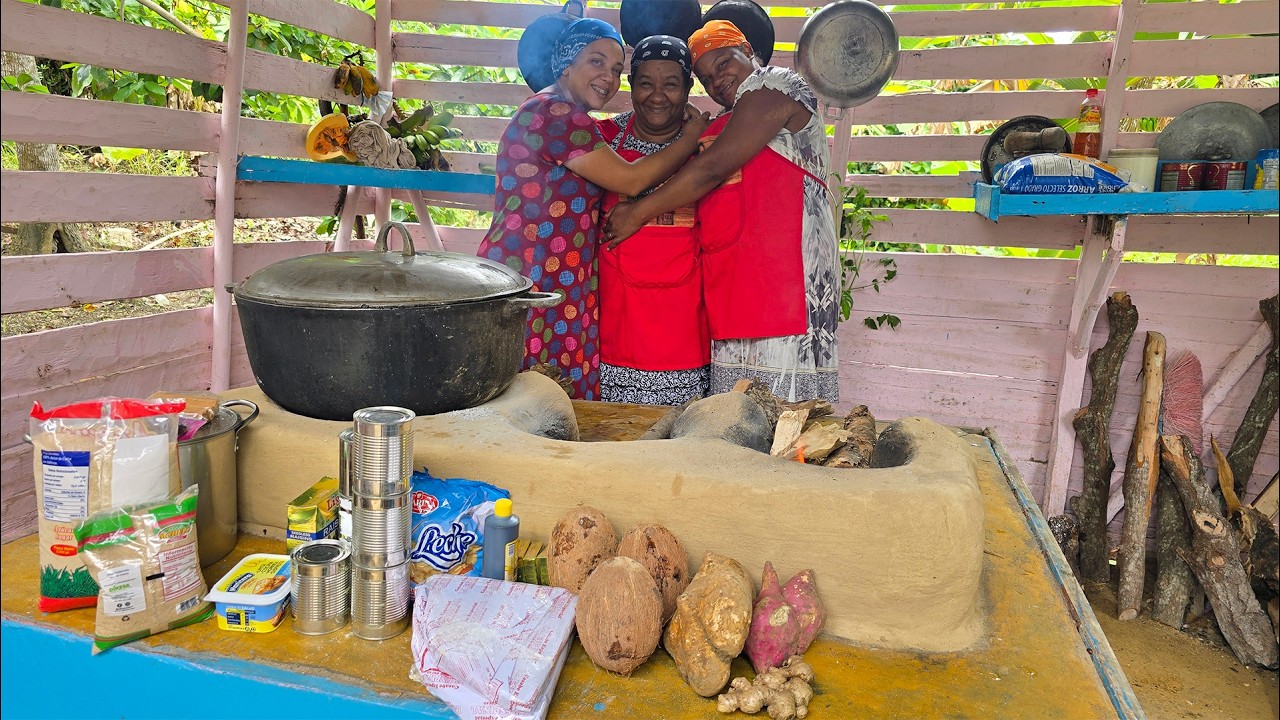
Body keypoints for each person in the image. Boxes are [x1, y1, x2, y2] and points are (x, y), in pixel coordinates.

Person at [603, 20, 840, 403]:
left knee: (782, 413)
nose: (717, 80)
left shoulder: (775, 86)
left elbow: (710, 170)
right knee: (735, 415)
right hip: (736, 293)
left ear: (747, 51)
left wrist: (638, 212)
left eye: (724, 63)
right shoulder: (725, 120)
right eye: (707, 77)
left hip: (784, 286)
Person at [476, 18, 710, 400]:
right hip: (537, 278)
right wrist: (688, 139)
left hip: (555, 275)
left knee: (545, 398)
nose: (608, 77)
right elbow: (631, 180)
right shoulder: (557, 114)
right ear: (567, 63)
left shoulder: (570, 118)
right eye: (596, 61)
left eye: (616, 69)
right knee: (535, 398)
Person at [596, 35, 710, 405]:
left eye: (671, 84)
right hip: (617, 334)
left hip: (684, 336)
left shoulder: (709, 147)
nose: (657, 96)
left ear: (688, 88)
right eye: (645, 83)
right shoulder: (602, 139)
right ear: (630, 85)